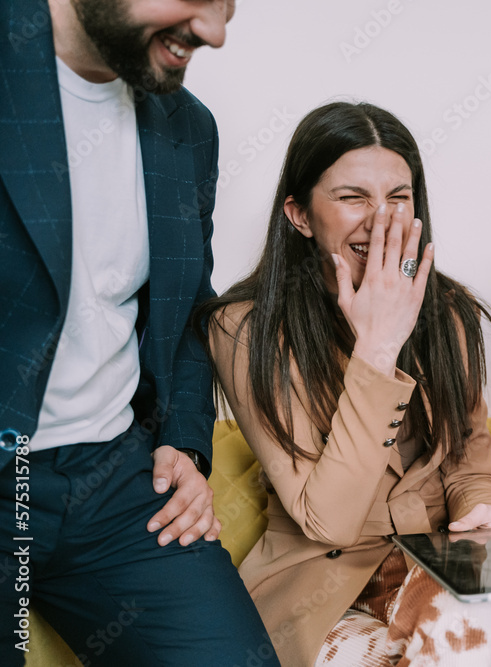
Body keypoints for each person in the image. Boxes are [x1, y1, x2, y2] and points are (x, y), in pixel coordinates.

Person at [202, 101, 491, 667]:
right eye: (352, 197)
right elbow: (326, 518)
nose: (380, 218)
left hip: (431, 568)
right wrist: (378, 346)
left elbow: (469, 464)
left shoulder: (449, 312)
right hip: (318, 585)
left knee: (470, 620)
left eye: (398, 197)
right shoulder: (242, 329)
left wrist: (486, 509)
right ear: (300, 215)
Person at [0, 0, 278, 664]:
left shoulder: (189, 128)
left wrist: (185, 441)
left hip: (117, 486)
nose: (215, 32)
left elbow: (185, 310)